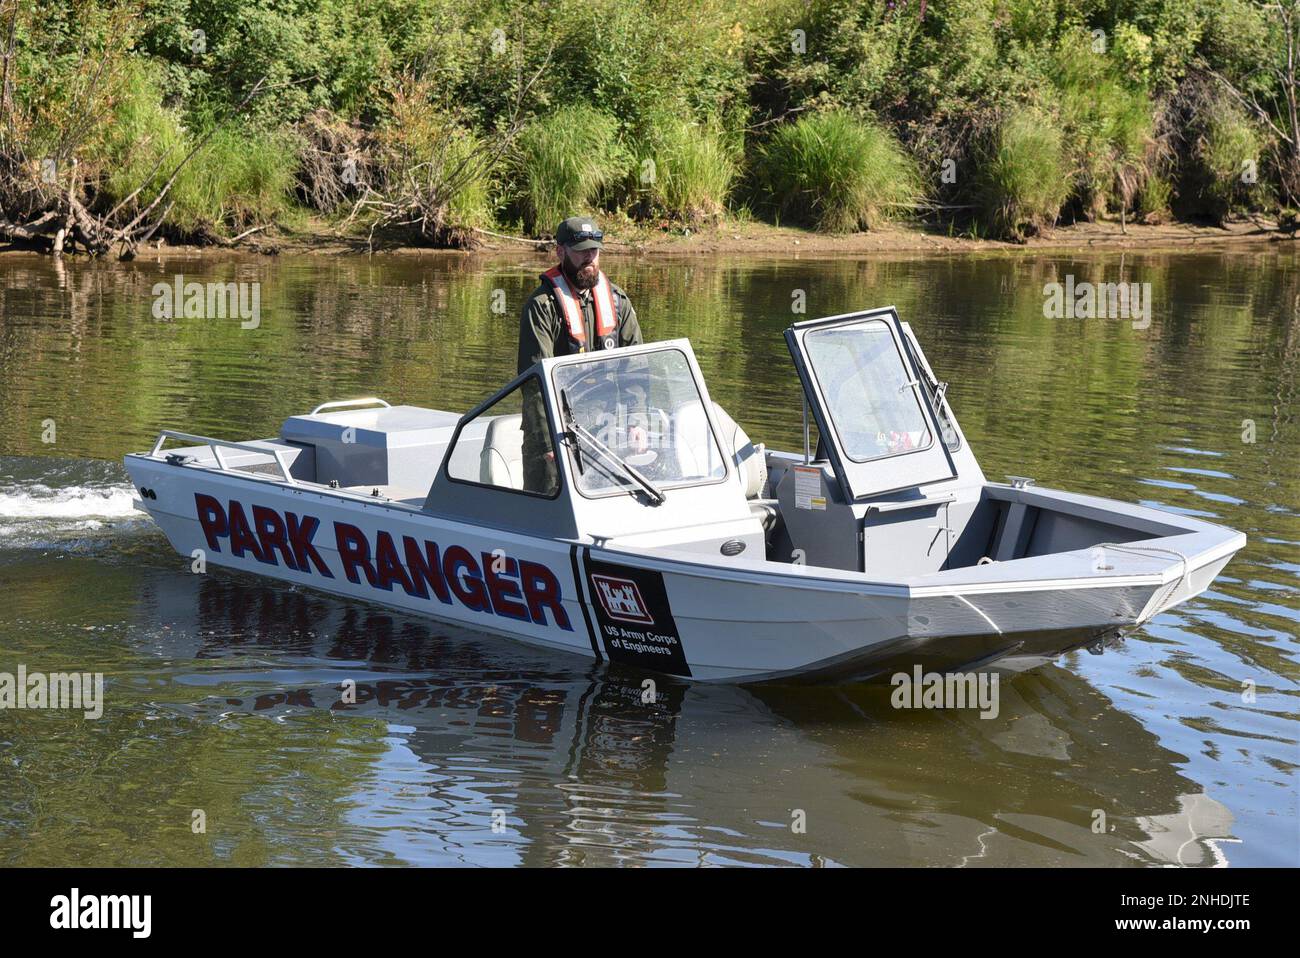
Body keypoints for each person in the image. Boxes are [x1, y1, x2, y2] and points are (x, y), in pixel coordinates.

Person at [517, 217, 646, 493]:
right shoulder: (541, 307)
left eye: (595, 251)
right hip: (555, 432)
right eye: (581, 251)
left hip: (606, 432)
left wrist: (636, 421)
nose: (590, 258)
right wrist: (548, 441)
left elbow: (635, 370)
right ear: (560, 252)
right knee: (547, 512)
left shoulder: (618, 303)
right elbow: (533, 383)